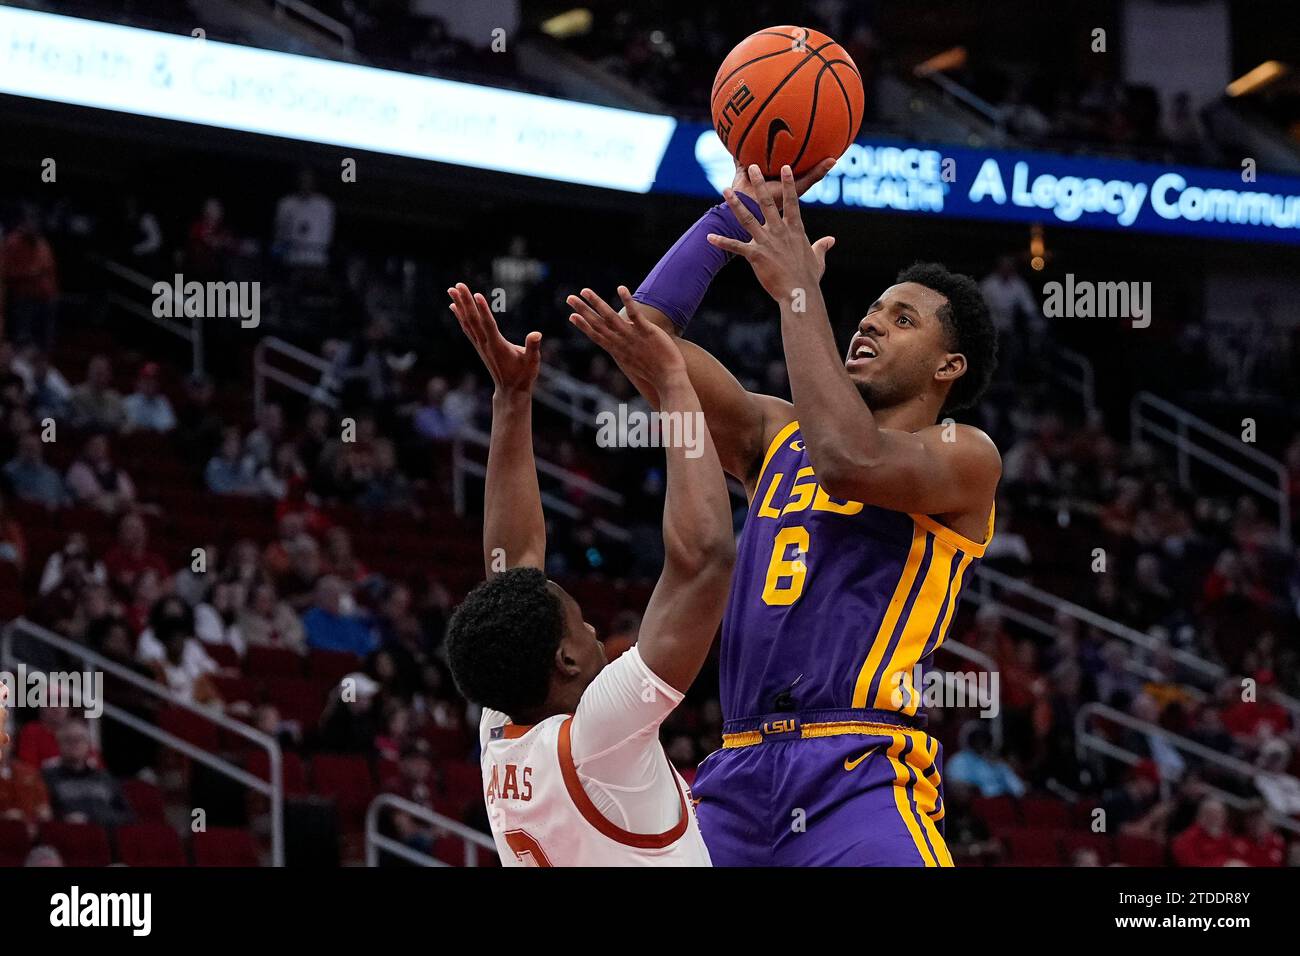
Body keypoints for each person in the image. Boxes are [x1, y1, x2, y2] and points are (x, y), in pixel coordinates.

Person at [567, 161, 1000, 866]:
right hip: (736, 769)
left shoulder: (963, 454)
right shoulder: (774, 434)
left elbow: (848, 461)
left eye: (903, 318)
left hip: (859, 771)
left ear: (947, 367)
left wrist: (799, 294)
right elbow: (647, 337)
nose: (870, 323)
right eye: (872, 310)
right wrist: (728, 213)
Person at [445, 281, 733, 866]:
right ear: (567, 661)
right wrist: (675, 384)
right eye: (581, 625)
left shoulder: (506, 727)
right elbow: (705, 560)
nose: (596, 632)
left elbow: (513, 566)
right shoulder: (597, 741)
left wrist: (513, 397)